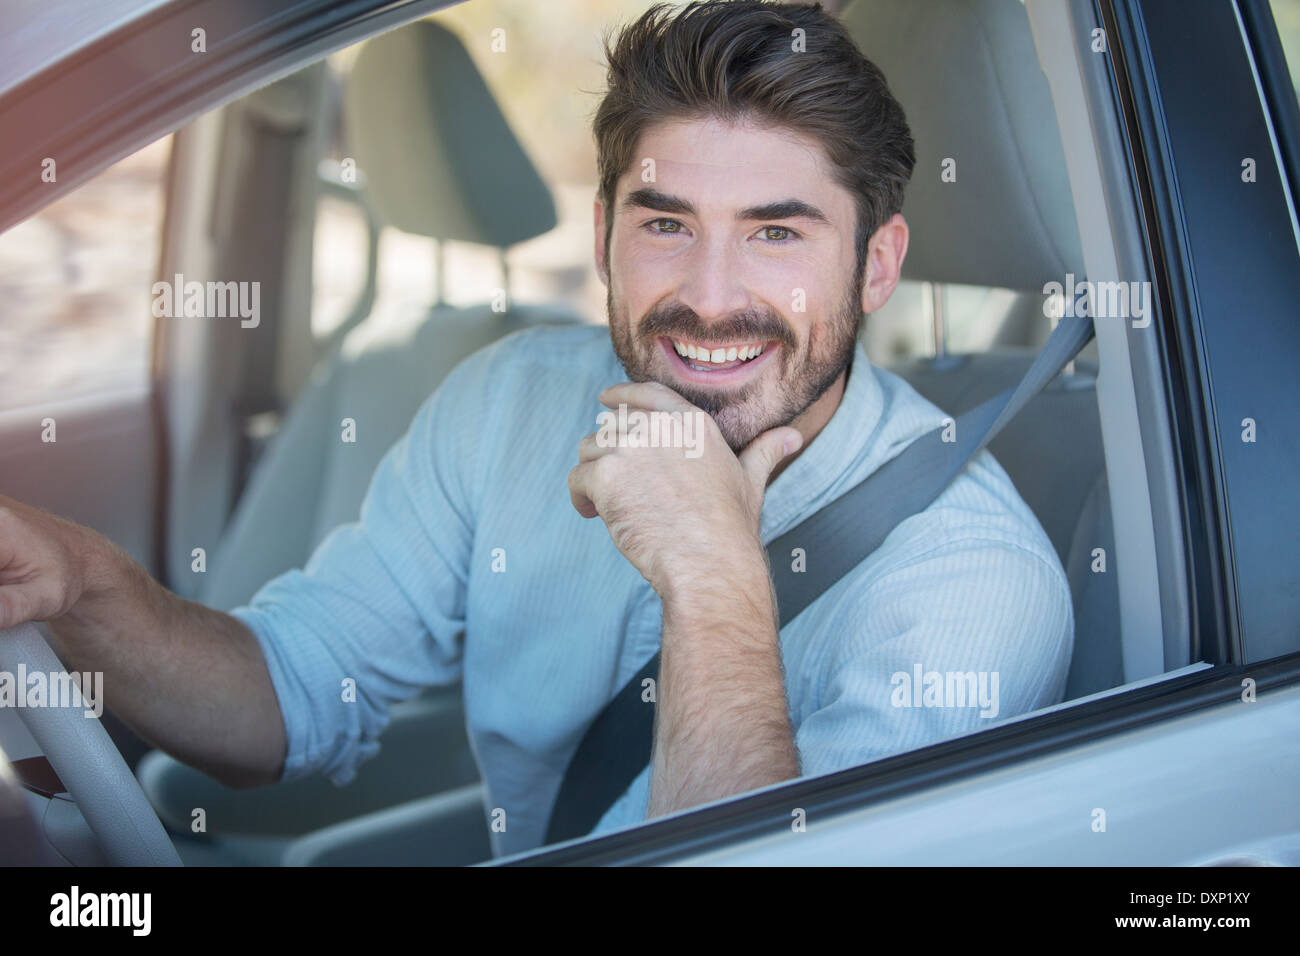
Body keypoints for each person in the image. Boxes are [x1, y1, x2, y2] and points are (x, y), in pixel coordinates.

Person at [0, 0, 1072, 859]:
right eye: (665, 223)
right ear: (604, 234)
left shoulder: (971, 580)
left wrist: (711, 573)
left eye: (776, 232)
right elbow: (294, 689)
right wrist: (86, 585)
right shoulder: (504, 400)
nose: (708, 296)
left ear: (875, 264)